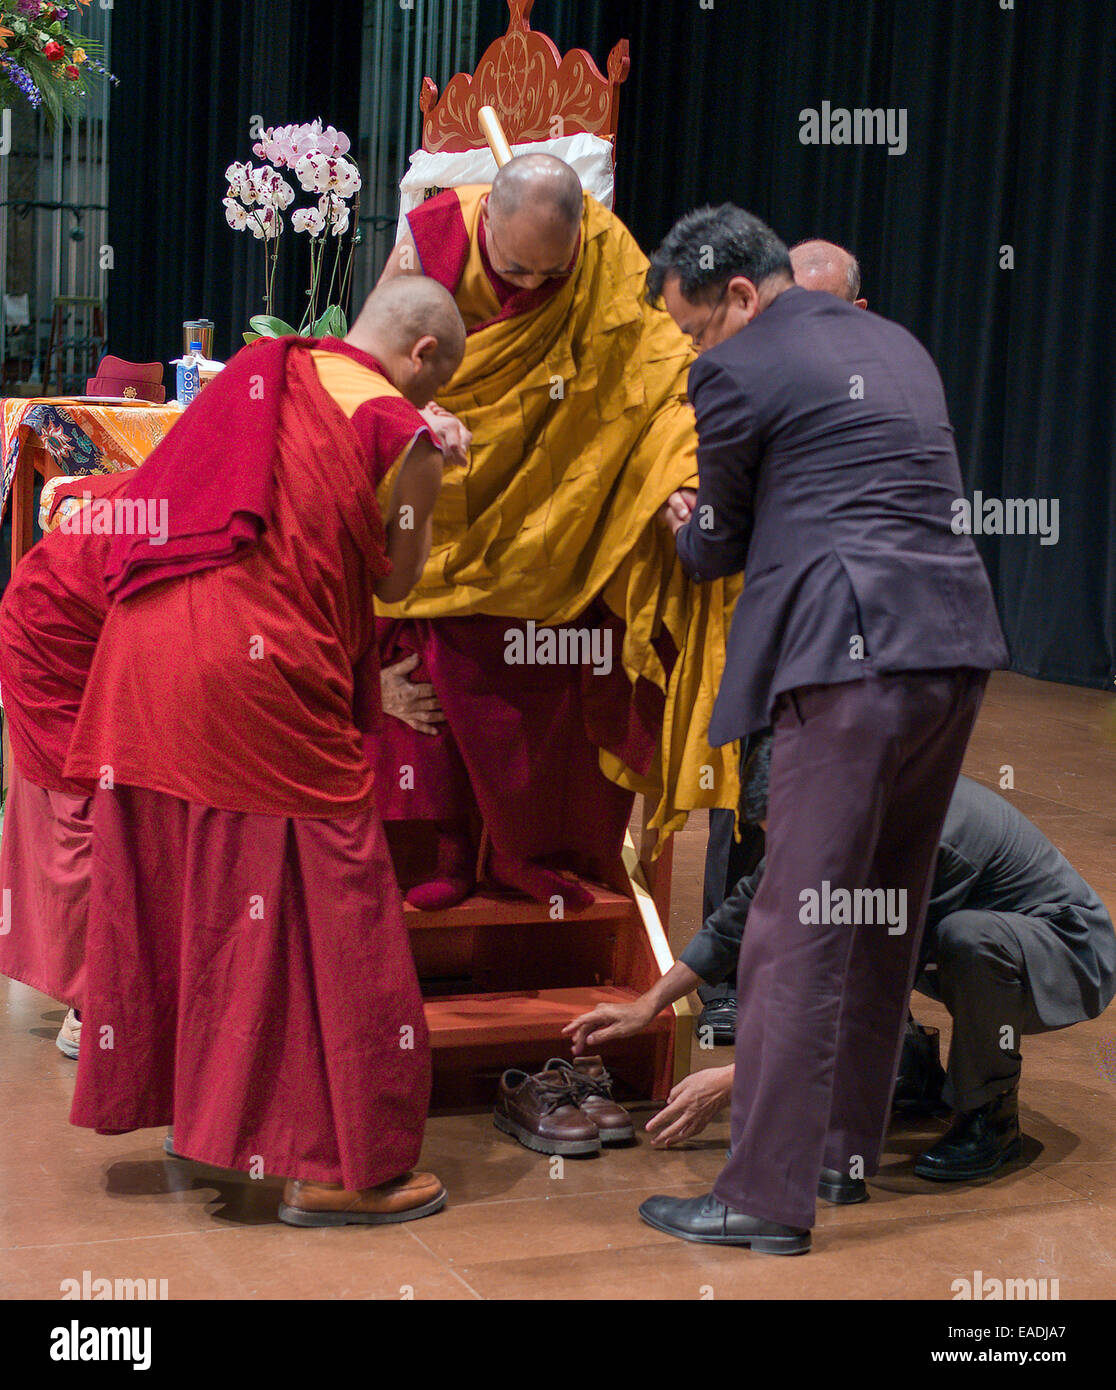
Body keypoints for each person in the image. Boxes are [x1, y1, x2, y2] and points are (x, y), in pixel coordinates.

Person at [620, 204, 1007, 1255]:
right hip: (955, 647)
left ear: (740, 295)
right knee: (882, 908)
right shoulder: (897, 341)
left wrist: (682, 523)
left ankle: (761, 1196)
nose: (695, 350)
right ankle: (837, 1152)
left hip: (847, 658)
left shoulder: (735, 372)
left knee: (796, 925)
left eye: (695, 328)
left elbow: (721, 541)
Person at [46, 277, 466, 1227]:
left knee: (186, 884)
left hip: (144, 660)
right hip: (258, 677)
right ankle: (343, 1168)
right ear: (427, 357)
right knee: (338, 903)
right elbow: (398, 578)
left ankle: (202, 1118)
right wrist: (433, 473)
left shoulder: (258, 372)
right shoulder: (406, 434)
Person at [368, 153, 741, 911]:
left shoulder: (605, 250)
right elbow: (370, 355)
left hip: (552, 509)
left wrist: (681, 477)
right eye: (515, 269)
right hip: (447, 491)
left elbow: (665, 373)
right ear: (488, 223)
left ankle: (530, 848)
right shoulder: (431, 237)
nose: (533, 289)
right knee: (426, 674)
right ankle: (436, 848)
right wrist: (411, 413)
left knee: (552, 669)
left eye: (551, 274)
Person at [0, 483, 447, 1062]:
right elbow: (249, 643)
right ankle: (98, 1008)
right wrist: (369, 691)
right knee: (106, 812)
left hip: (126, 614)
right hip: (60, 628)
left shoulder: (308, 511)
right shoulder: (271, 524)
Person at [567, 759, 1116, 1182]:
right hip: (964, 933)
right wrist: (648, 1003)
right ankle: (912, 1069)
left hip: (1065, 953)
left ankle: (989, 1114)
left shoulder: (922, 839)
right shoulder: (828, 809)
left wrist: (735, 1081)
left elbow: (868, 988)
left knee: (960, 938)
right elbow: (741, 915)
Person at [697, 236, 867, 1045]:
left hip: (849, 637)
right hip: (757, 627)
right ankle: (723, 982)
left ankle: (817, 976)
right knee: (746, 805)